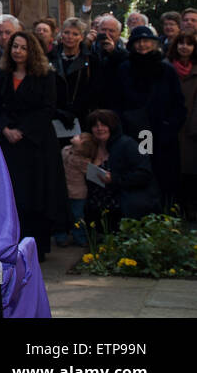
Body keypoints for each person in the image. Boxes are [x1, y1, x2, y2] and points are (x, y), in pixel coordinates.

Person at [0, 32, 67, 259]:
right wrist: (5, 129)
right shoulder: (2, 75)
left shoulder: (45, 75)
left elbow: (47, 108)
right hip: (9, 143)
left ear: (31, 51)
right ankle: (12, 244)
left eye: (23, 47)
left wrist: (22, 131)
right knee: (14, 194)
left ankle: (37, 247)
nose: (18, 51)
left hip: (37, 144)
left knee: (37, 195)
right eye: (14, 47)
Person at [109, 26, 187, 211]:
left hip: (162, 132)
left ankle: (166, 213)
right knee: (138, 172)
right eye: (138, 41)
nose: (142, 45)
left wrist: (169, 127)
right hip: (133, 132)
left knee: (164, 173)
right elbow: (116, 100)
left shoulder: (166, 69)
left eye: (146, 41)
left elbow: (178, 103)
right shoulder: (125, 69)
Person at [83, 108, 159, 231]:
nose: (99, 128)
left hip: (121, 207)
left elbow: (144, 174)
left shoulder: (128, 145)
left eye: (103, 125)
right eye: (95, 125)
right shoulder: (89, 147)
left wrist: (115, 179)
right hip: (95, 209)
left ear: (112, 126)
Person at [164, 30, 197, 219]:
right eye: (181, 43)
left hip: (191, 127)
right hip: (169, 125)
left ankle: (190, 206)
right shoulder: (166, 68)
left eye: (189, 44)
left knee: (190, 169)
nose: (185, 47)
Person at [49, 17, 96, 130]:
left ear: (81, 37)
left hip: (81, 117)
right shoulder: (49, 58)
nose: (70, 37)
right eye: (66, 33)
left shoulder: (91, 60)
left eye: (75, 34)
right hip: (54, 116)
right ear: (61, 34)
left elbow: (93, 89)